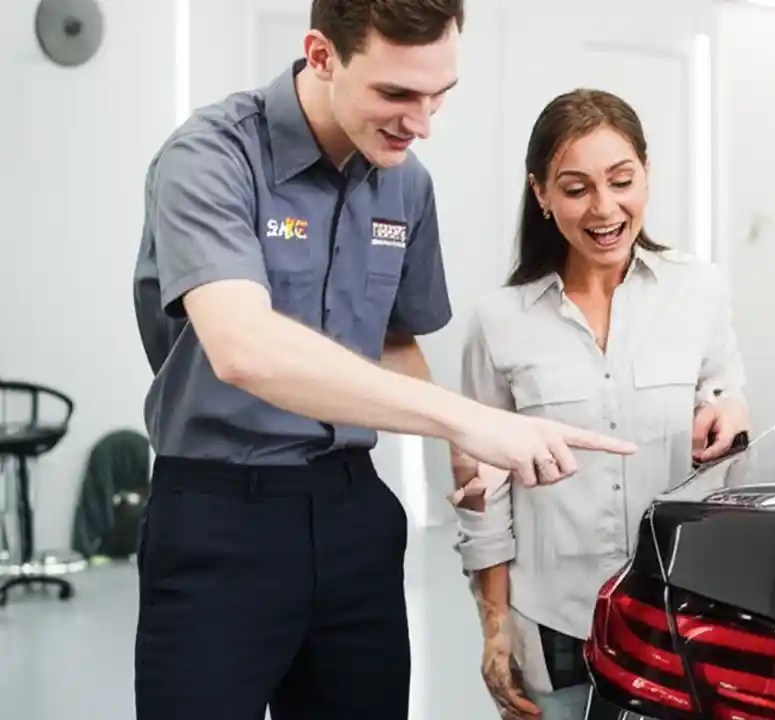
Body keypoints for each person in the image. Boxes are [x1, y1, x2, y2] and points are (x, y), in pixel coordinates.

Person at [129, 2, 634, 719]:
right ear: (322, 54)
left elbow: (393, 339)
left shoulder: (406, 183)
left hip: (350, 511)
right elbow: (242, 347)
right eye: (397, 94)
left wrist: (463, 447)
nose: (421, 123)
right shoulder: (211, 156)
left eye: (439, 96)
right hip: (219, 513)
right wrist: (468, 419)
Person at [450, 89, 751, 720]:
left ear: (647, 172)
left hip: (677, 612)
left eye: (621, 180)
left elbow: (723, 399)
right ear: (541, 194)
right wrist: (495, 627)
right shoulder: (499, 321)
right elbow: (482, 492)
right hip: (558, 618)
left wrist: (732, 415)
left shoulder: (698, 290)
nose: (604, 208)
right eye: (576, 187)